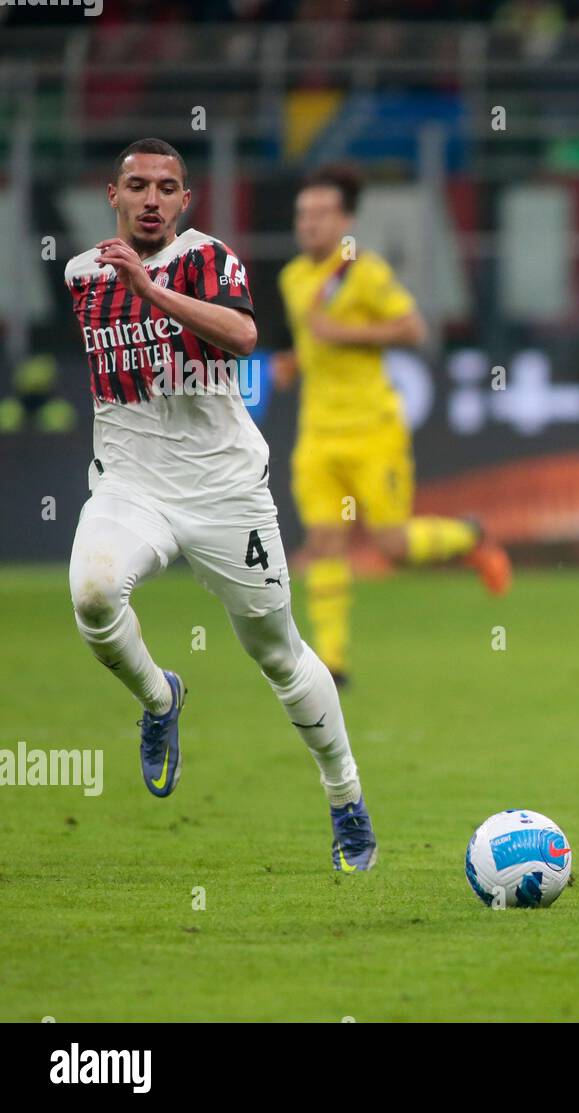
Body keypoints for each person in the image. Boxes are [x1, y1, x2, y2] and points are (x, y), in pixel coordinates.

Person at [65, 138, 376, 871]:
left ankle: (346, 797)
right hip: (132, 485)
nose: (150, 198)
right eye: (136, 185)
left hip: (223, 491)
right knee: (93, 594)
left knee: (277, 653)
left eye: (165, 187)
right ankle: (160, 699)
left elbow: (242, 335)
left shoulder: (209, 259)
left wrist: (151, 291)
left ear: (185, 200)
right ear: (111, 195)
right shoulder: (83, 273)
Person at [275, 164, 511, 686]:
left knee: (392, 547)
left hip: (372, 430)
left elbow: (412, 328)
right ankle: (332, 663)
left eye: (320, 214)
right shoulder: (293, 279)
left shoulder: (363, 272)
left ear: (345, 220)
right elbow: (315, 341)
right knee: (324, 543)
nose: (308, 224)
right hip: (317, 434)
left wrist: (343, 332)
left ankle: (469, 536)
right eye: (302, 214)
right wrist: (295, 359)